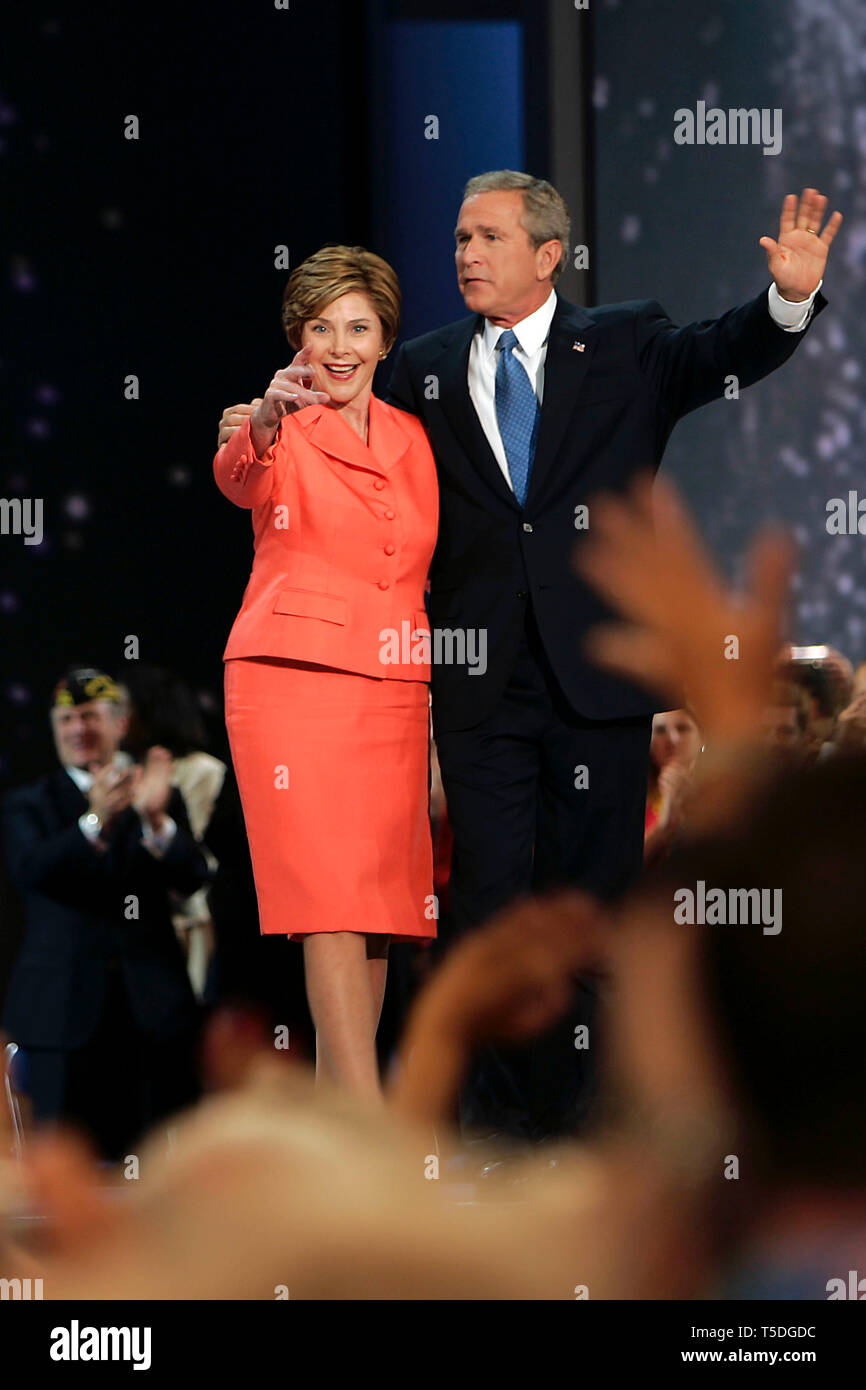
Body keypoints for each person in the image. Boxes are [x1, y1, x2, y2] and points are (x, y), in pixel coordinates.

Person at [218, 174, 841, 1145]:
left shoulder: (626, 341)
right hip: (477, 688)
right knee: (487, 915)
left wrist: (787, 301)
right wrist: (250, 423)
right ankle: (494, 1143)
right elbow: (305, 429)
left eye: (488, 237)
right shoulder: (423, 367)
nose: (465, 254)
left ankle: (591, 1136)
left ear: (548, 254)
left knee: (591, 913)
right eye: (459, 238)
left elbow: (723, 350)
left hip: (593, 681)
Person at [214, 245, 439, 1100]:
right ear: (296, 340)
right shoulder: (273, 426)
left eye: (358, 328)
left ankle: (338, 1127)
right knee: (331, 907)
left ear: (385, 339)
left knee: (377, 913)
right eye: (320, 328)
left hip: (394, 692)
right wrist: (261, 424)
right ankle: (371, 1122)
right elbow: (238, 478)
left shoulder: (415, 438)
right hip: (293, 684)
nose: (340, 347)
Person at [0, 667, 206, 1160]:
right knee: (61, 1175)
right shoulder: (29, 803)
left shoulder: (155, 795)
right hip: (59, 1019)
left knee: (162, 1172)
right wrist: (93, 819)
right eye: (67, 719)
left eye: (90, 716)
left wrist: (156, 821)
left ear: (120, 723)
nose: (78, 729)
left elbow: (193, 876)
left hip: (152, 1015)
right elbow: (31, 872)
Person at [644, 707, 701, 863]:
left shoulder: (722, 792)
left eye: (682, 728)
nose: (673, 739)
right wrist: (663, 825)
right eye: (660, 730)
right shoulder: (633, 797)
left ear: (701, 738)